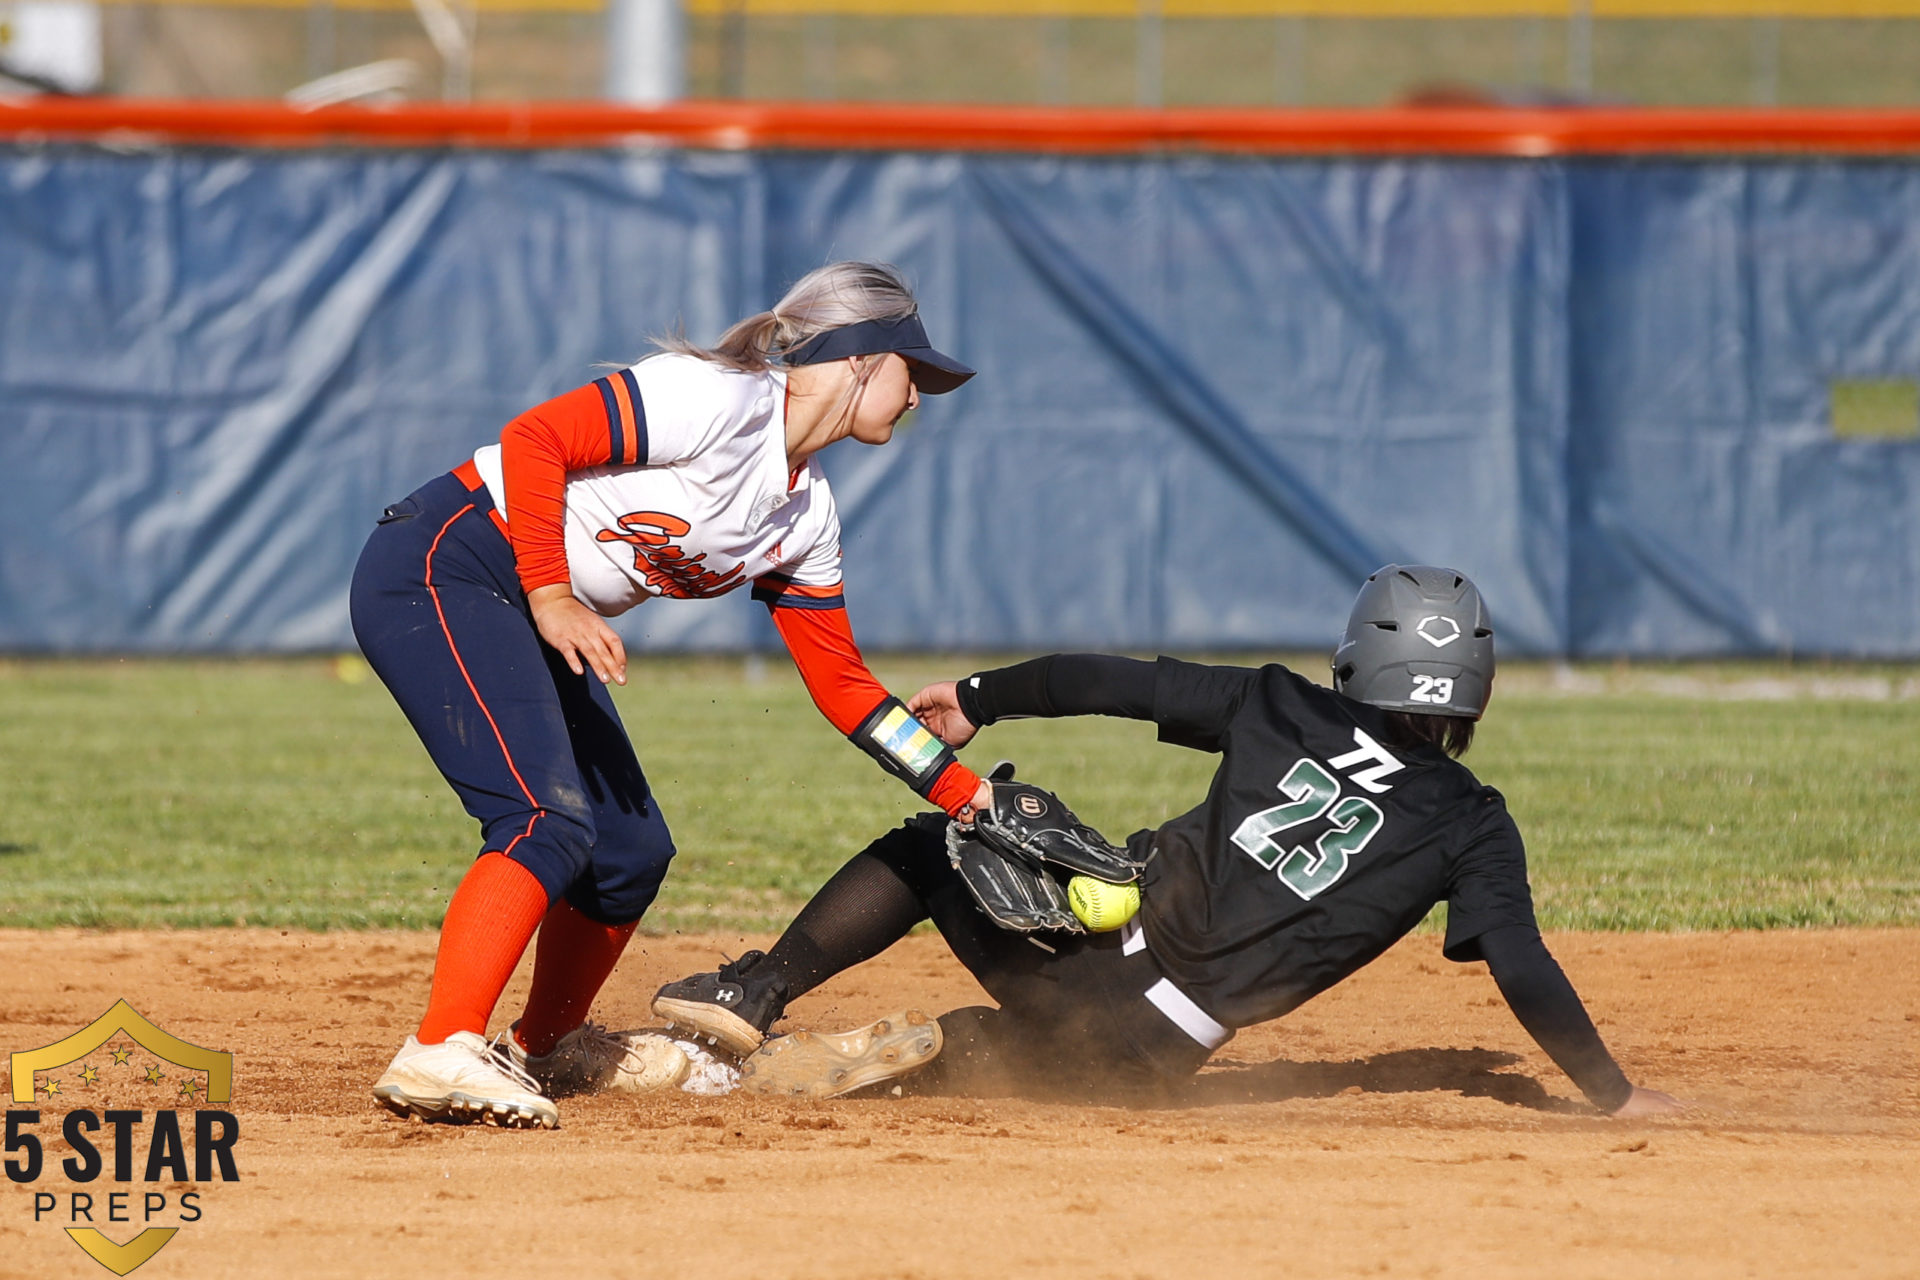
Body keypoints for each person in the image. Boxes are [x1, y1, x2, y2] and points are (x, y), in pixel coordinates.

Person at [654, 566, 1687, 1117]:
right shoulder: (1473, 820)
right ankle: (950, 1055)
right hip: (1149, 1059)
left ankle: (755, 994)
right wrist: (1615, 1089)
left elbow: (1108, 680)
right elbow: (1524, 965)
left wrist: (978, 699)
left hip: (1094, 956)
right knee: (1021, 1056)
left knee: (935, 845)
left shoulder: (1283, 704)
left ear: (1354, 659)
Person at [351, 261, 994, 1128]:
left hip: (531, 604)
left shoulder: (804, 519)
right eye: (913, 373)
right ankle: (440, 1047)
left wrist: (967, 797)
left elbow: (843, 687)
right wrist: (551, 595)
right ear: (859, 360)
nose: (918, 398)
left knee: (626, 854)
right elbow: (537, 439)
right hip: (449, 562)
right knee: (546, 817)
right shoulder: (718, 398)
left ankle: (542, 1049)